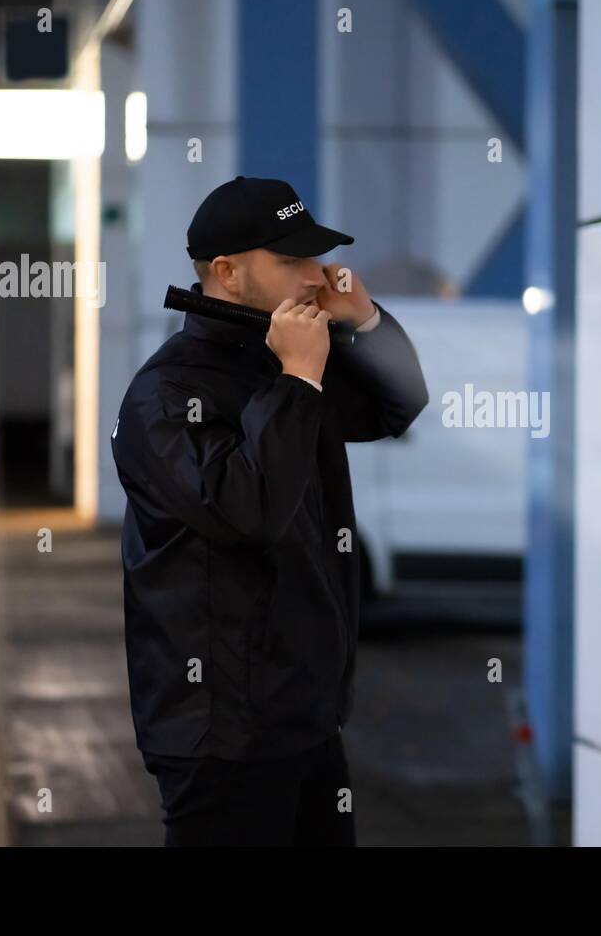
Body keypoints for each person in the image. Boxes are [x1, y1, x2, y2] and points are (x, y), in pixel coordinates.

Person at [110, 176, 429, 845]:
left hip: (304, 716)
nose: (315, 278)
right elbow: (248, 510)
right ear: (225, 272)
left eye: (315, 258)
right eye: (290, 262)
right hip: (223, 731)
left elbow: (397, 405)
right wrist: (299, 380)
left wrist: (365, 320)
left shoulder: (282, 360)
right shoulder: (166, 395)